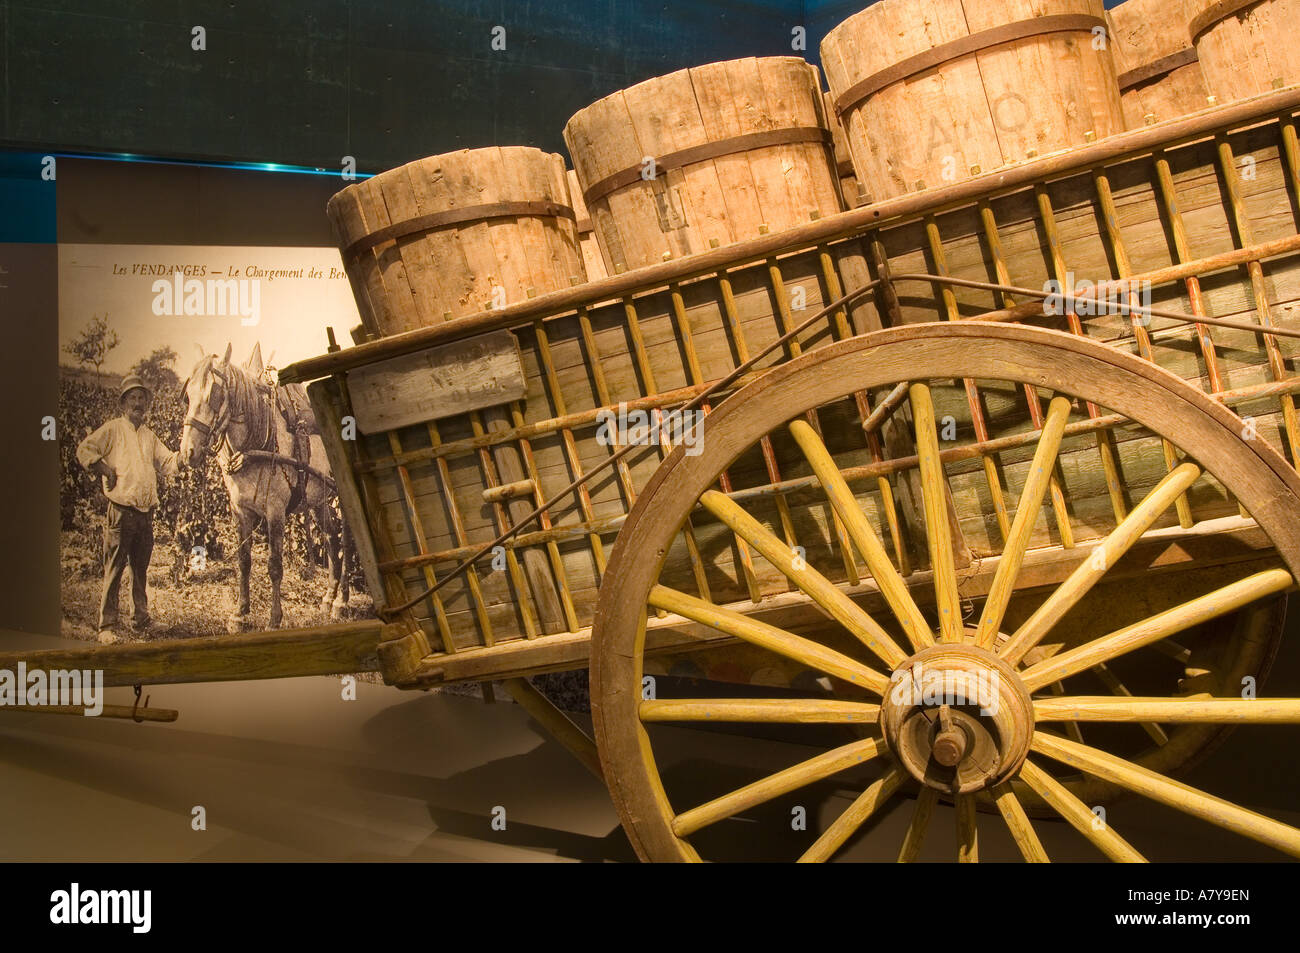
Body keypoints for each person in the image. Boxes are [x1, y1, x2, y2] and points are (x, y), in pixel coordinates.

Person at [77, 375, 181, 643]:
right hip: (121, 512)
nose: (138, 403)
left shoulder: (149, 436)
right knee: (114, 567)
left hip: (146, 514)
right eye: (132, 398)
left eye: (142, 398)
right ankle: (107, 626)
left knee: (141, 568)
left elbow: (167, 461)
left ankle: (141, 618)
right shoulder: (113, 429)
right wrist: (103, 469)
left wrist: (185, 459)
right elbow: (84, 449)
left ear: (147, 404)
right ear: (123, 403)